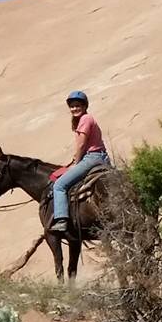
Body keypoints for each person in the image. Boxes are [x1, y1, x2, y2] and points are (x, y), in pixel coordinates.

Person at [49, 90, 111, 232]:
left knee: (59, 185)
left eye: (78, 106)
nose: (74, 109)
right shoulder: (86, 119)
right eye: (72, 106)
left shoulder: (85, 119)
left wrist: (76, 163)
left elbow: (82, 145)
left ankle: (61, 220)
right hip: (102, 157)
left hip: (92, 158)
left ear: (84, 106)